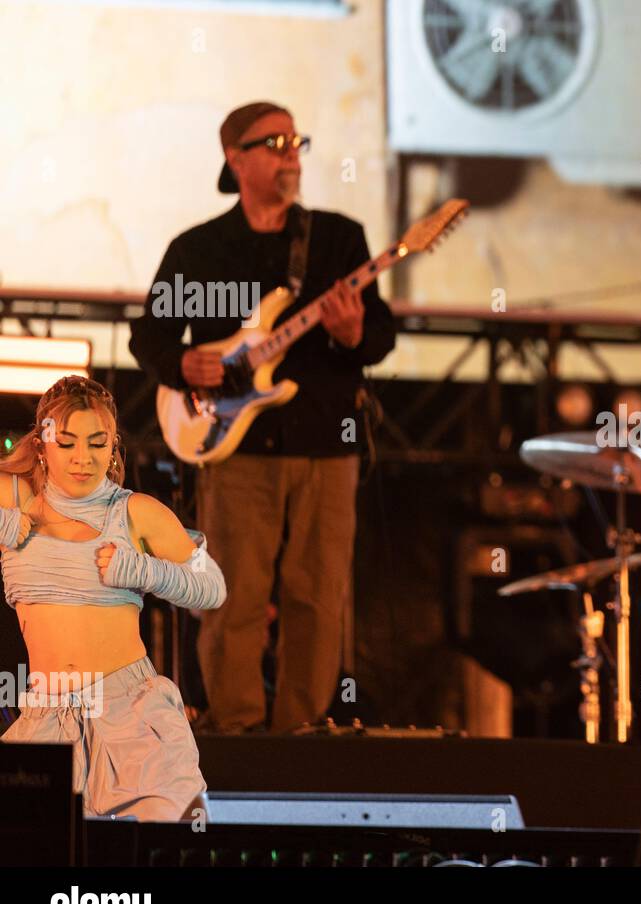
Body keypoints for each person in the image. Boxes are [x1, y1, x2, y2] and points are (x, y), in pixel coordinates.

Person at [129, 102, 396, 733]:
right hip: (236, 451)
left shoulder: (338, 239)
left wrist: (355, 330)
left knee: (318, 599)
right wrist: (183, 363)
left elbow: (380, 338)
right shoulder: (199, 249)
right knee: (233, 600)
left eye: (295, 140)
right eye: (273, 142)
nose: (290, 153)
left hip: (328, 445)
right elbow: (150, 337)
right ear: (234, 157)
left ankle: (301, 739)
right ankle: (237, 738)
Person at [0, 375, 225, 820]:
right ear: (42, 445)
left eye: (97, 444)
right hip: (46, 720)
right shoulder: (14, 498)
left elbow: (212, 585)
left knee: (156, 852)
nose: (83, 459)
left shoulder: (133, 511)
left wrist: (145, 570)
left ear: (112, 448)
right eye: (66, 444)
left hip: (132, 717)